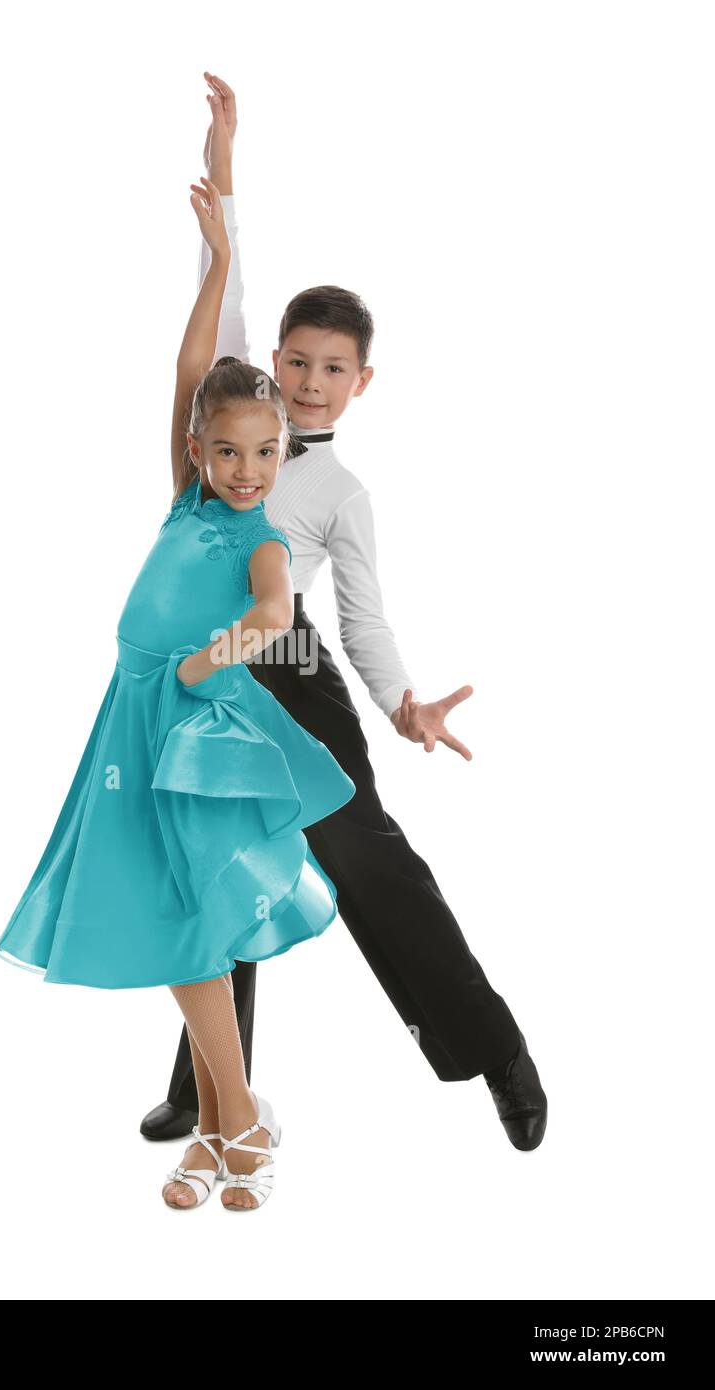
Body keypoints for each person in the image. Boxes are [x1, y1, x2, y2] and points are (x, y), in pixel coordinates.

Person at [139, 73, 547, 1153]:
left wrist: (406, 703)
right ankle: (211, 1084)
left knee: (366, 864)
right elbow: (217, 290)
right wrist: (224, 167)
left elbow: (361, 618)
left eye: (334, 371)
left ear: (363, 382)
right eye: (297, 362)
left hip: (292, 674)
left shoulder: (339, 494)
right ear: (271, 360)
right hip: (200, 669)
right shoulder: (227, 416)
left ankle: (492, 1043)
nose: (310, 384)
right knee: (212, 867)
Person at [0, 174, 356, 1211]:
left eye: (267, 454)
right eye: (231, 451)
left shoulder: (262, 537)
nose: (248, 471)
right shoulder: (187, 497)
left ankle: (237, 1120)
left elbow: (275, 615)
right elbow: (192, 366)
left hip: (198, 729)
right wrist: (219, 262)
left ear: (284, 455)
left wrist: (205, 663)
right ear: (199, 450)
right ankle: (215, 1132)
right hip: (130, 721)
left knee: (197, 920)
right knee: (172, 915)